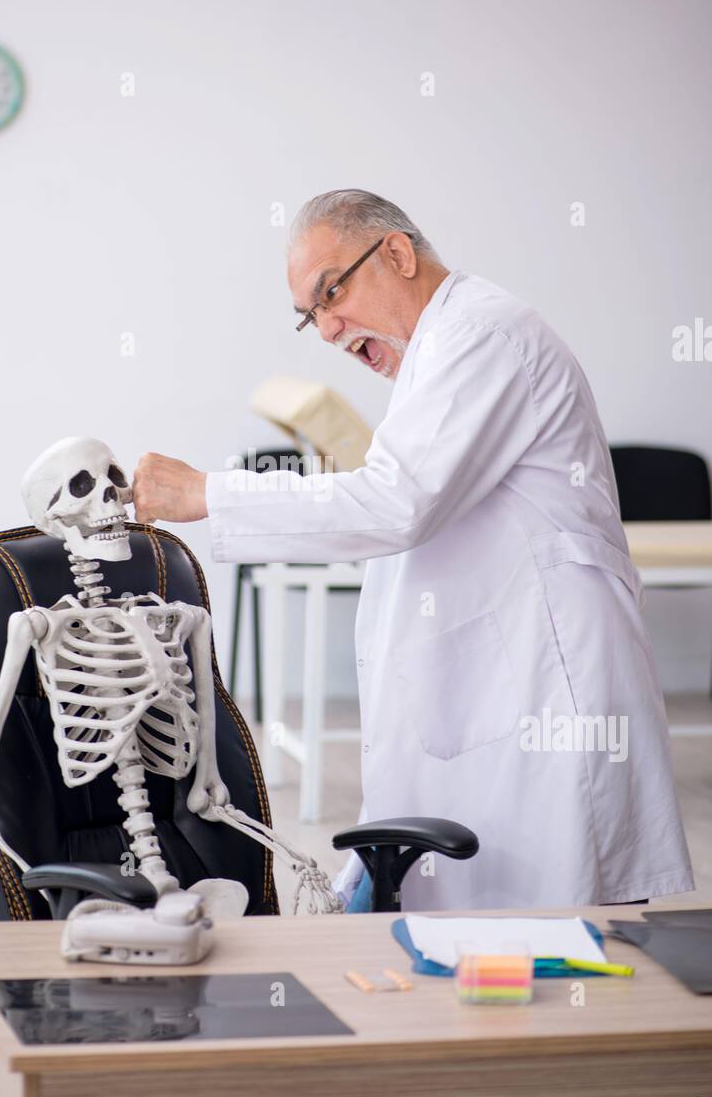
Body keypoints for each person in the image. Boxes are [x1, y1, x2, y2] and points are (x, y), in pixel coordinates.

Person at [131, 189, 694, 911]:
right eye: (312, 315)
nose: (329, 328)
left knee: (558, 938)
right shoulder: (441, 351)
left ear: (396, 253)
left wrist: (210, 494)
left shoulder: (484, 335)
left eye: (330, 292)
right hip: (496, 688)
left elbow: (396, 502)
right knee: (474, 931)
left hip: (547, 686)